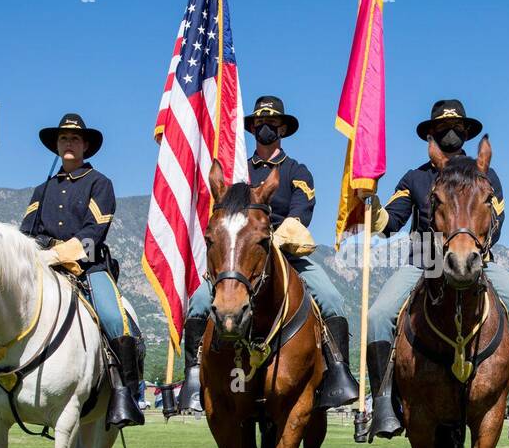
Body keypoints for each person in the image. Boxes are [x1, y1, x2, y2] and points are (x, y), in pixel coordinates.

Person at [356, 99, 509, 442]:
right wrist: (370, 203)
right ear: (431, 135)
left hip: (477, 260)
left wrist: (468, 247)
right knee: (377, 316)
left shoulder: (485, 176)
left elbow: (496, 221)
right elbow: (390, 223)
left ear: (466, 133)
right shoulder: (415, 177)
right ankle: (384, 403)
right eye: (443, 128)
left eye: (457, 127)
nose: (450, 132)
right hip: (424, 261)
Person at [176, 96, 359, 413]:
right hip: (242, 256)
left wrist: (281, 233)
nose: (265, 128)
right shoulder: (240, 172)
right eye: (260, 123)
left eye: (272, 123)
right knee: (200, 300)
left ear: (282, 129)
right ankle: (193, 376)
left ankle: (338, 373)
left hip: (287, 251)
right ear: (252, 129)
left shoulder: (297, 171)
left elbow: (302, 209)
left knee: (331, 298)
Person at [20, 113, 145, 429]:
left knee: (116, 319)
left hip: (87, 266)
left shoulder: (100, 183)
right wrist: (39, 253)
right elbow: (26, 231)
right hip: (41, 263)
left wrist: (59, 254)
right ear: (56, 145)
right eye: (63, 138)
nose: (68, 143)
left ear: (85, 145)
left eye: (74, 138)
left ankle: (125, 394)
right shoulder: (42, 189)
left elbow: (94, 233)